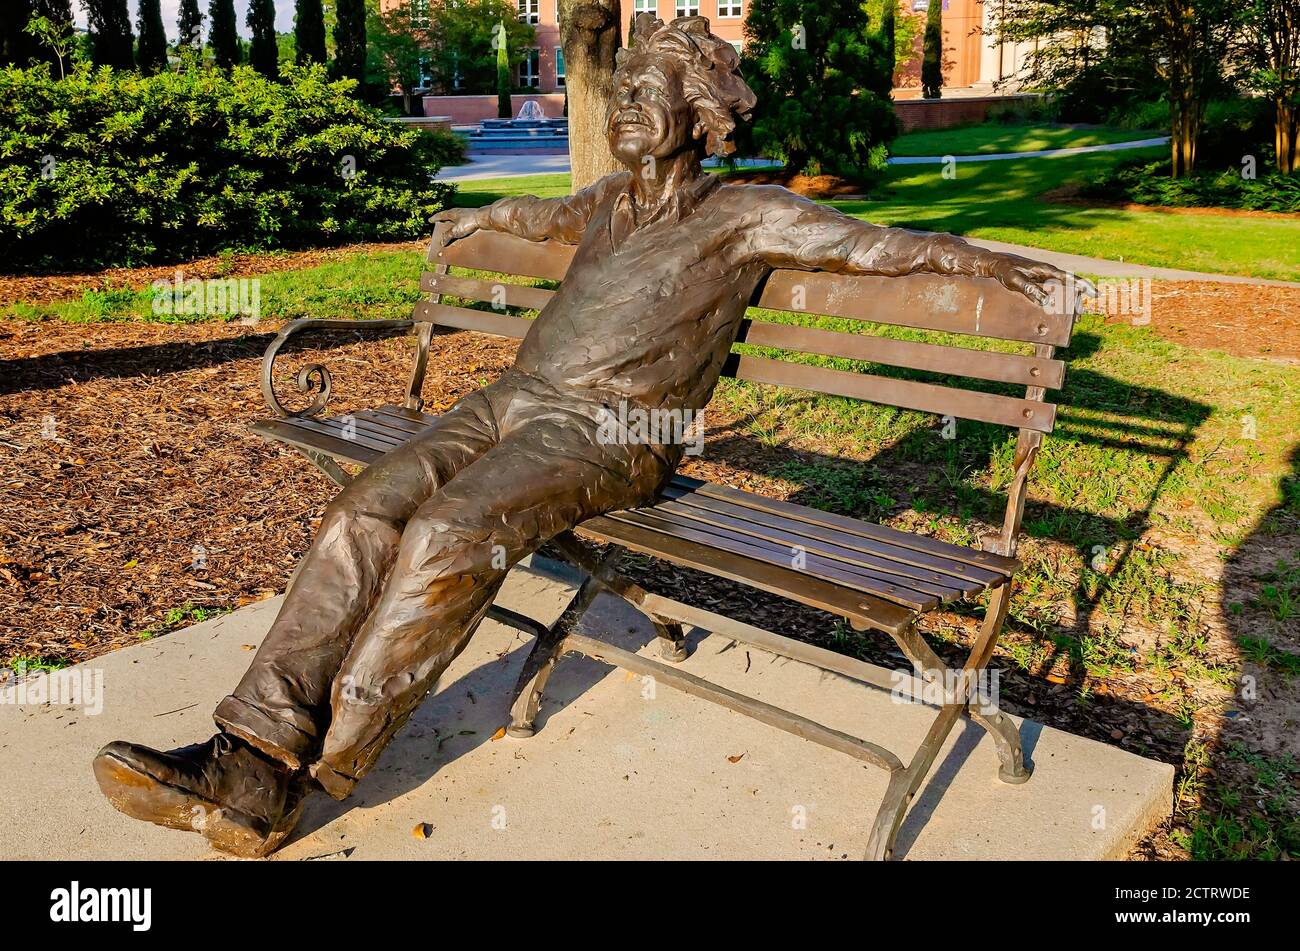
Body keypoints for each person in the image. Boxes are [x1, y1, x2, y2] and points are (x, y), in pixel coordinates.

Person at [93, 14, 1069, 857]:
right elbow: (538, 213)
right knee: (364, 511)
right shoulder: (607, 202)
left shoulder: (744, 215)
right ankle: (249, 747)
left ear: (699, 112)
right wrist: (469, 221)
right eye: (622, 91)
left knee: (448, 531)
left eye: (648, 92)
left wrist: (988, 261)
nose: (625, 105)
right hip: (512, 401)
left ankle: (311, 767)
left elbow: (876, 247)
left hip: (613, 430)